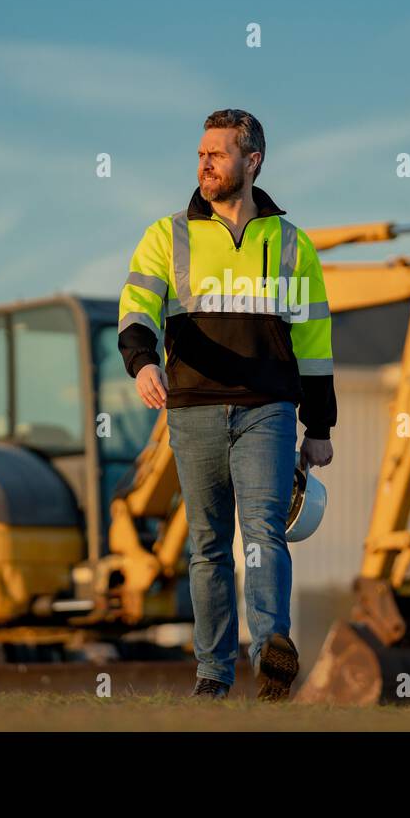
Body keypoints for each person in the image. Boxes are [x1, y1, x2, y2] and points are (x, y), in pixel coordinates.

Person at [118, 108, 336, 701]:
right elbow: (136, 306)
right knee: (207, 546)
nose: (204, 163)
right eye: (200, 154)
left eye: (216, 153)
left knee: (263, 531)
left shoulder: (291, 244)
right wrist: (143, 362)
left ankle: (271, 654)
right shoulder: (168, 235)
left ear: (251, 161)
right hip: (190, 410)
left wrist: (319, 424)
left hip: (268, 407)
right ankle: (212, 676)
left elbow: (314, 341)